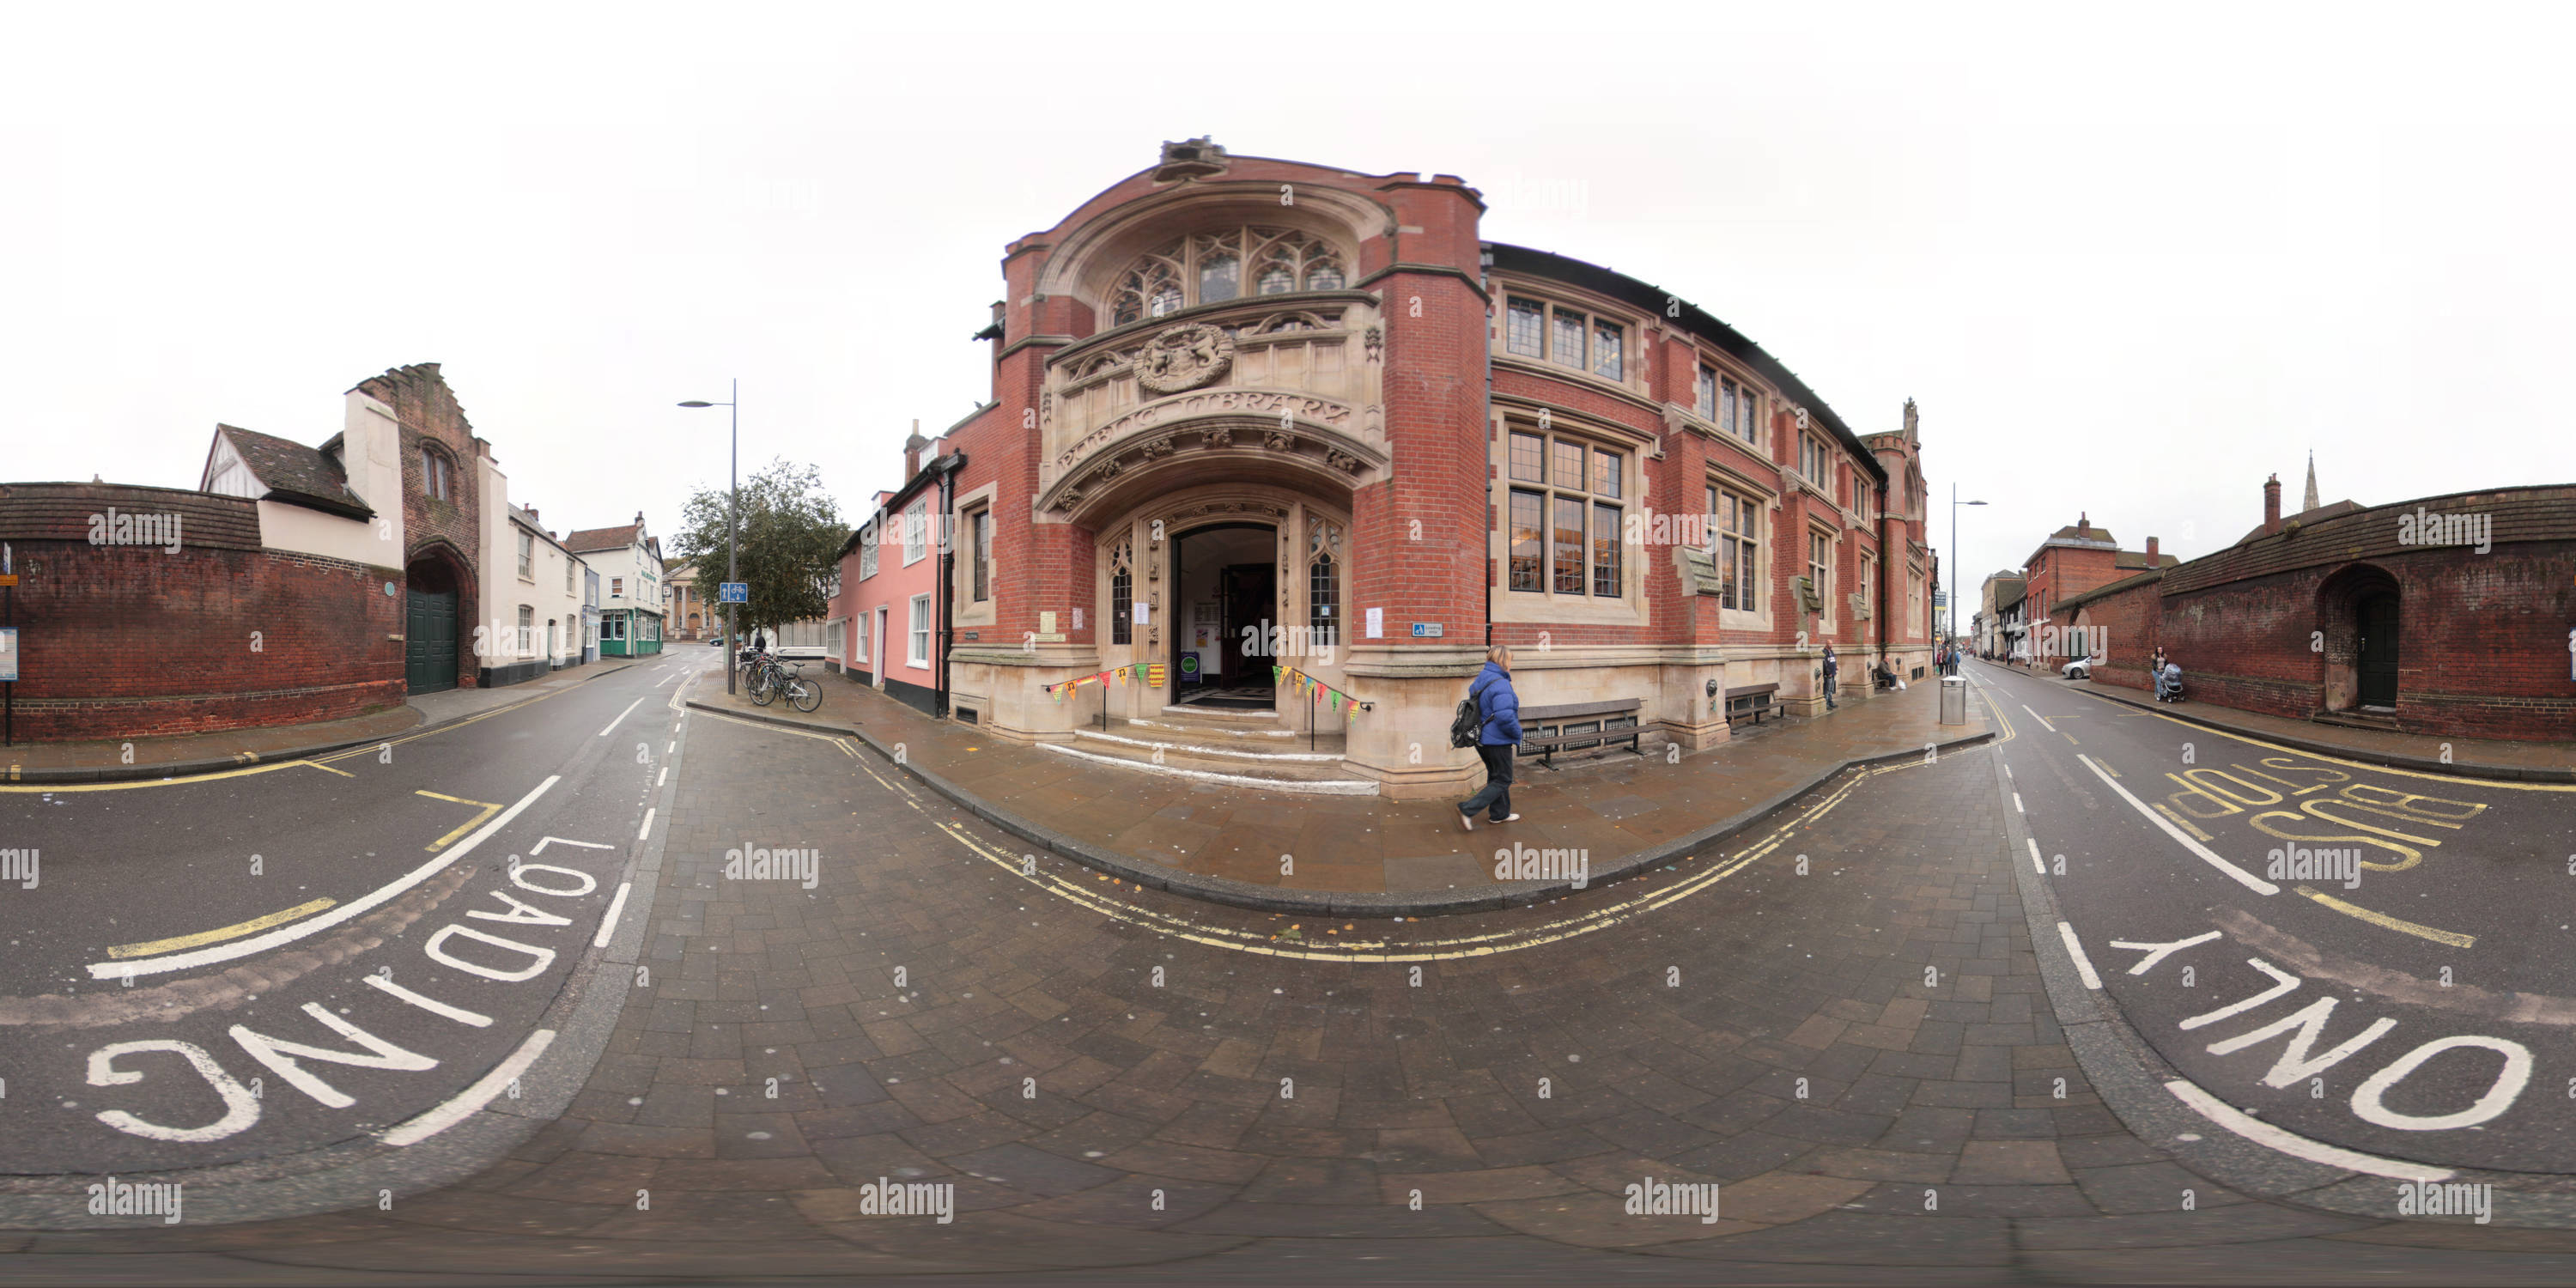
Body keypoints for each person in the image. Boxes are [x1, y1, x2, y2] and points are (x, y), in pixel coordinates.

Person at [1457, 646, 1523, 830]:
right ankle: (1468, 809)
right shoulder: (1501, 683)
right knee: (1503, 779)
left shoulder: (1482, 678)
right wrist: (1518, 733)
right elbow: (1505, 717)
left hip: (1482, 740)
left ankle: (1499, 814)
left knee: (1496, 777)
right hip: (1497, 741)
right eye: (1510, 659)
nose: (1511, 663)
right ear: (1504, 661)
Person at [1820, 644, 1839, 711]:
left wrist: (1836, 667)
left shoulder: (1831, 651)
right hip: (1828, 674)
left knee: (1831, 689)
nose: (1831, 645)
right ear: (1826, 644)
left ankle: (1831, 702)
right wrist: (1828, 673)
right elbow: (1825, 664)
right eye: (1830, 644)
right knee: (1827, 690)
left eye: (1831, 643)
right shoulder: (1824, 652)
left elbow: (1833, 660)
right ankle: (1826, 704)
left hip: (1833, 673)